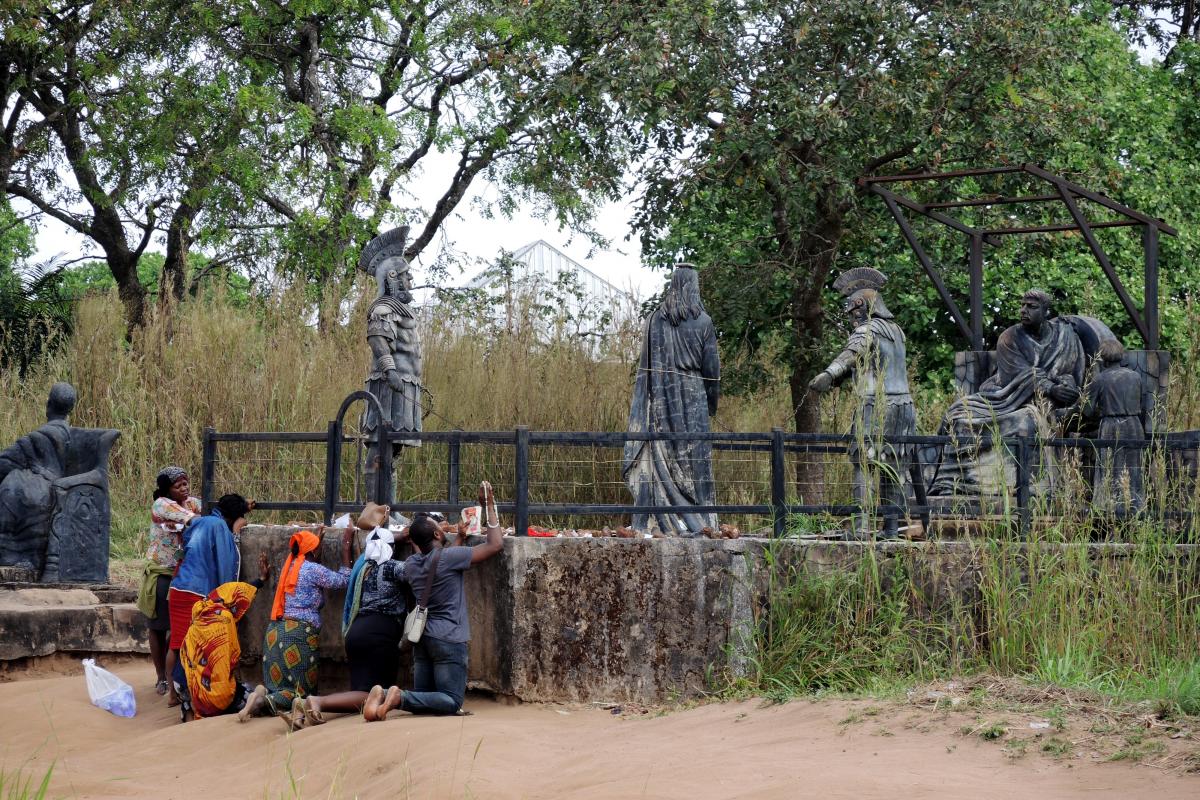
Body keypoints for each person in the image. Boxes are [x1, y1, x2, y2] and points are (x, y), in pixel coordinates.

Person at [363, 482, 503, 721]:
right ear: (438, 534)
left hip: (422, 638)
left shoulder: (411, 565)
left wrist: (457, 537)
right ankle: (396, 697)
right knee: (451, 701)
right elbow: (495, 545)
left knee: (426, 698)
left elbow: (435, 560)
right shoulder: (450, 558)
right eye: (440, 528)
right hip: (449, 637)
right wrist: (489, 505)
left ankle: (386, 693)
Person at [928, 289, 1088, 496]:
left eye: (1031, 307)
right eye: (1022, 305)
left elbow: (1073, 369)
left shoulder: (1066, 337)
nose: (1024, 310)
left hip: (1049, 403)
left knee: (1026, 422)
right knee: (962, 416)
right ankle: (961, 482)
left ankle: (1025, 484)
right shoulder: (1009, 337)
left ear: (1046, 311)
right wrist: (1051, 388)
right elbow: (1017, 374)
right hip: (1007, 395)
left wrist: (1067, 387)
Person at [809, 268, 915, 538]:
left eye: (851, 311)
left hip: (875, 405)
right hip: (903, 406)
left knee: (864, 463)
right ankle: (892, 529)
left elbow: (850, 355)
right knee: (893, 465)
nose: (850, 318)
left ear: (861, 306)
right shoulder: (897, 331)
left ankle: (861, 528)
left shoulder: (868, 330)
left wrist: (828, 375)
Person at [282, 504, 409, 728]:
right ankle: (315, 701)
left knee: (360, 692)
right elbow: (421, 570)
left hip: (356, 631)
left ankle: (302, 710)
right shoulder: (392, 568)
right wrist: (416, 542)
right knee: (373, 694)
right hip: (380, 634)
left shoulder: (363, 567)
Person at [622, 265, 721, 536]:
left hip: (661, 397)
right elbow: (712, 370)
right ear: (694, 286)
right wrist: (712, 402)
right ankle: (701, 520)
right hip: (694, 396)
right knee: (696, 458)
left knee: (661, 451)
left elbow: (646, 367)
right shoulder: (703, 322)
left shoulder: (656, 319)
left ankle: (662, 519)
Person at [242, 525, 353, 727]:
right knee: (301, 691)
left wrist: (314, 547)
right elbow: (343, 580)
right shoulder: (313, 569)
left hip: (276, 632)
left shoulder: (290, 567)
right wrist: (346, 548)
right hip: (300, 634)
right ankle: (264, 702)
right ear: (311, 551)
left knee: (280, 686)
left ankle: (263, 693)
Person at [167, 493, 252, 706]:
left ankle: (173, 692)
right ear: (234, 518)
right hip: (196, 592)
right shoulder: (221, 527)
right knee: (195, 644)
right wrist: (235, 535)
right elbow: (226, 566)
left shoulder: (199, 520)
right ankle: (186, 689)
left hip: (178, 587)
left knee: (178, 643)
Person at [178, 554, 272, 721]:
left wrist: (260, 580)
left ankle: (190, 711)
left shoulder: (199, 615)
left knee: (188, 690)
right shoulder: (225, 619)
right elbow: (232, 658)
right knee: (259, 693)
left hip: (199, 700)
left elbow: (185, 658)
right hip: (222, 700)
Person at [135, 466, 200, 702]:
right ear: (166, 490)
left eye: (186, 483)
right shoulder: (162, 504)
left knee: (176, 628)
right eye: (178, 485)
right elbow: (193, 520)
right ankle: (162, 677)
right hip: (162, 572)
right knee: (158, 627)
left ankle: (174, 679)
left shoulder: (190, 502)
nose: (184, 488)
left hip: (181, 573)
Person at [1084, 340, 1149, 514]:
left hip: (1110, 428)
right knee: (1133, 470)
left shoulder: (1099, 379)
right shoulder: (1136, 376)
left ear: (1102, 358)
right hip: (1135, 427)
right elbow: (1142, 404)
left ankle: (1110, 512)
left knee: (1110, 470)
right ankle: (1135, 510)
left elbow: (1087, 411)